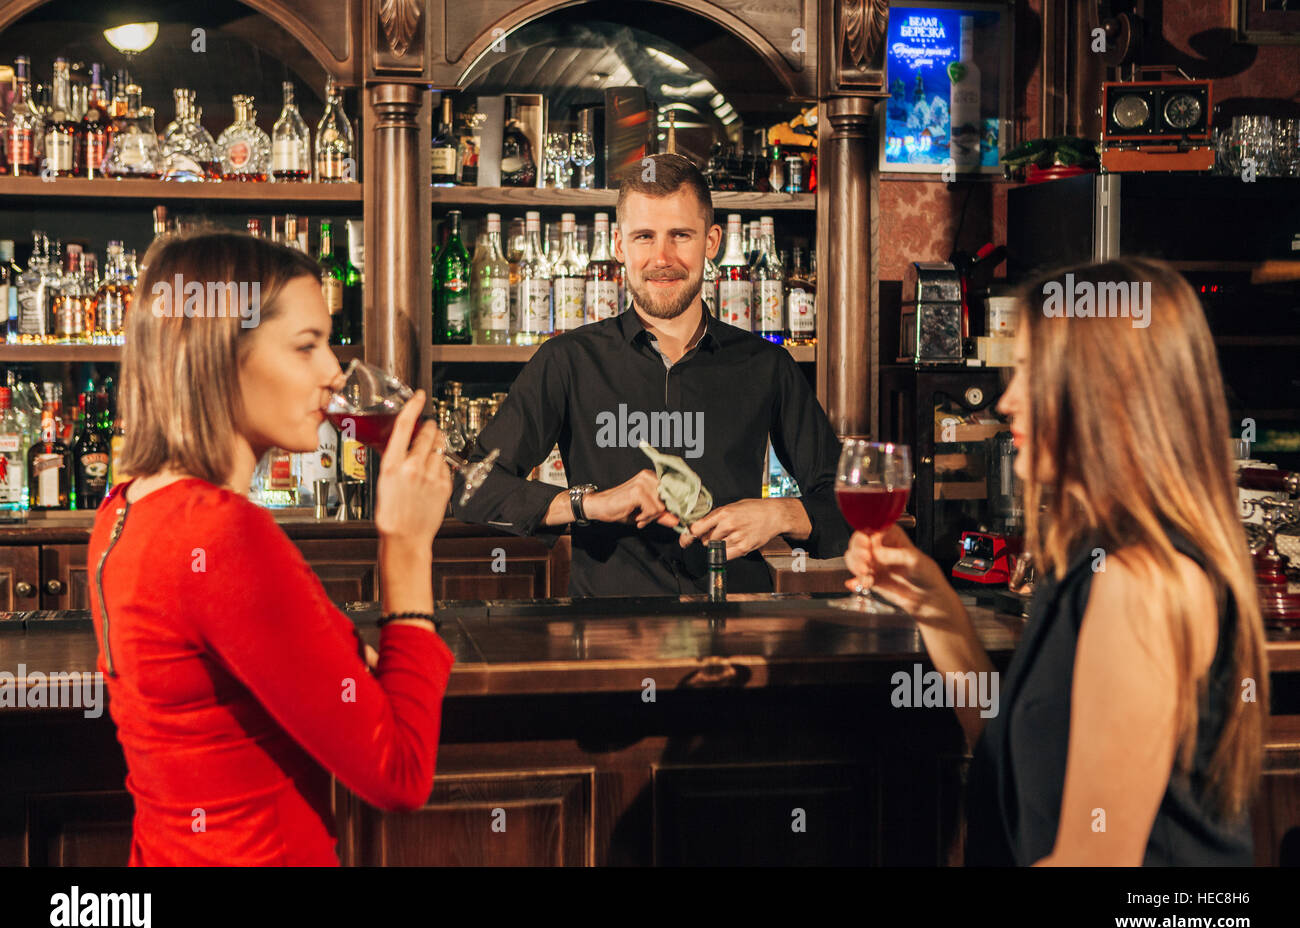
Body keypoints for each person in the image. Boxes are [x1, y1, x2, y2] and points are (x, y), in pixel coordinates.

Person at [845, 258, 1269, 865]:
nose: (1007, 400)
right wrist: (932, 603)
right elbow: (1016, 761)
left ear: (1110, 392)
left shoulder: (1140, 583)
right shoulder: (1090, 563)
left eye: (1032, 374)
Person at [90, 231, 456, 865]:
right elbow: (398, 775)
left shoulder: (123, 507)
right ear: (219, 356)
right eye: (306, 347)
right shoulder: (222, 535)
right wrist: (407, 546)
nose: (333, 374)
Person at [453, 153, 851, 596]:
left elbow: (852, 503)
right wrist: (590, 503)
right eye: (644, 237)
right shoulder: (567, 361)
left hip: (735, 630)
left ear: (711, 241)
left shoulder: (767, 365)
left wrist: (783, 514)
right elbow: (473, 488)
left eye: (680, 235)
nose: (662, 258)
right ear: (620, 246)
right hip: (610, 637)